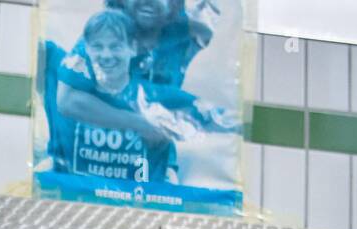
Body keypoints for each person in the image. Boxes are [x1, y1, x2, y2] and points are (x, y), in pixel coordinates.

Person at [48, 10, 231, 184]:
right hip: (82, 186)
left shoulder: (158, 90)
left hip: (149, 181)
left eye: (115, 47)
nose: (106, 54)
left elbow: (212, 116)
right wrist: (141, 123)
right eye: (98, 47)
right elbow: (66, 102)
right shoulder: (92, 45)